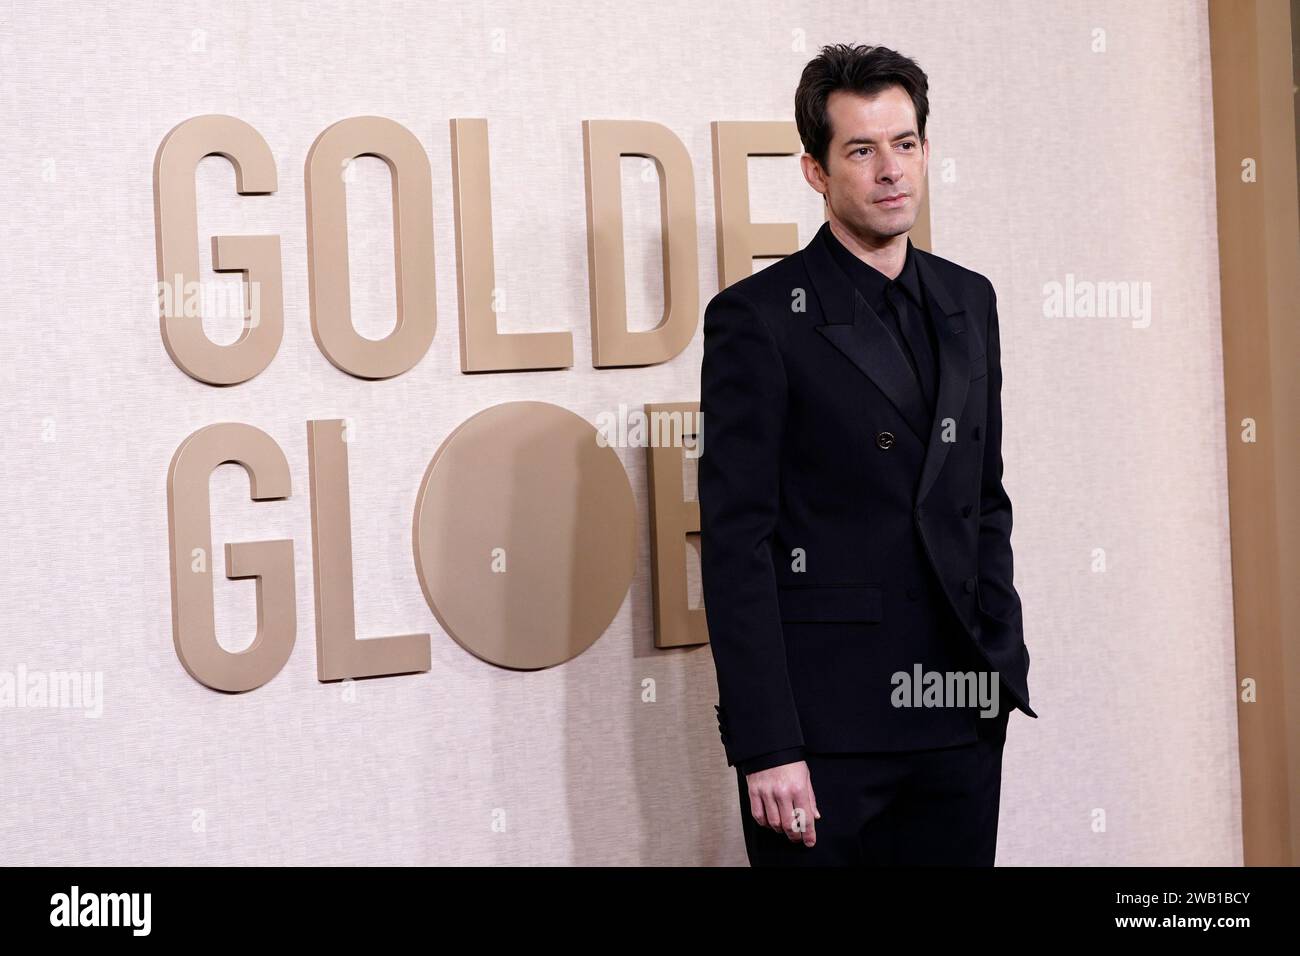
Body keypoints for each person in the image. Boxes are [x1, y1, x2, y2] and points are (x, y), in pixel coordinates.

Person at [698, 42, 1036, 866]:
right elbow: (738, 543)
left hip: (960, 711)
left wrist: (1001, 655)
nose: (891, 170)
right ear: (816, 171)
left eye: (906, 143)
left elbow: (984, 498)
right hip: (826, 736)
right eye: (861, 149)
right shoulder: (759, 319)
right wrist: (767, 744)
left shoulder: (970, 298)